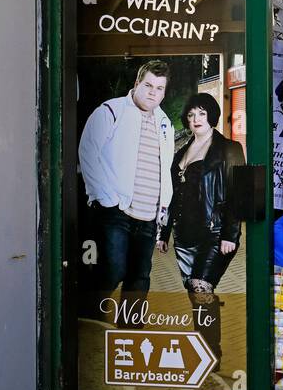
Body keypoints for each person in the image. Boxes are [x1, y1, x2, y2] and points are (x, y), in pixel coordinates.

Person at [78, 60, 174, 319]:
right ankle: (88, 320)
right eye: (148, 85)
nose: (153, 92)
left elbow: (165, 169)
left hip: (148, 216)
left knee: (139, 278)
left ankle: (131, 335)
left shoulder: (165, 125)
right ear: (137, 84)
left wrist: (163, 209)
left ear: (164, 92)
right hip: (117, 211)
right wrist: (105, 198)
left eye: (159, 88)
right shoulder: (111, 111)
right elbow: (87, 152)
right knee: (113, 270)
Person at [158, 93, 245, 366]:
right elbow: (171, 195)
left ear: (211, 116)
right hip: (184, 236)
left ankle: (211, 354)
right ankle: (203, 349)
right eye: (191, 115)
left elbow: (237, 192)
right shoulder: (181, 151)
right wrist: (163, 234)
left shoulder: (229, 148)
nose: (195, 119)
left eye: (201, 114)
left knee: (201, 286)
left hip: (215, 233)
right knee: (195, 295)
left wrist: (231, 234)